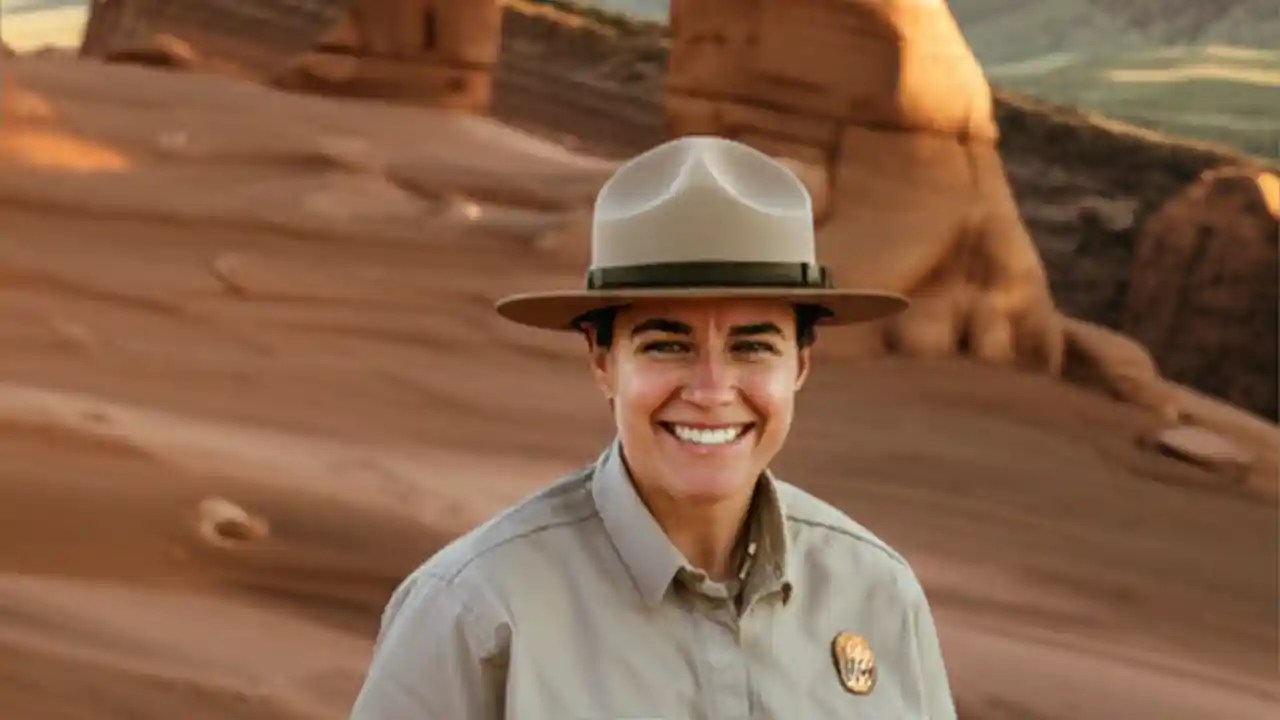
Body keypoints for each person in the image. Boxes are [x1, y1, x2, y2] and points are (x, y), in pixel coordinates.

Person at [349, 135, 957, 719]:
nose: (712, 391)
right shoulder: (475, 612)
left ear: (800, 363)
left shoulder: (878, 594)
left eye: (752, 347)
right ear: (602, 360)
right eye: (668, 345)